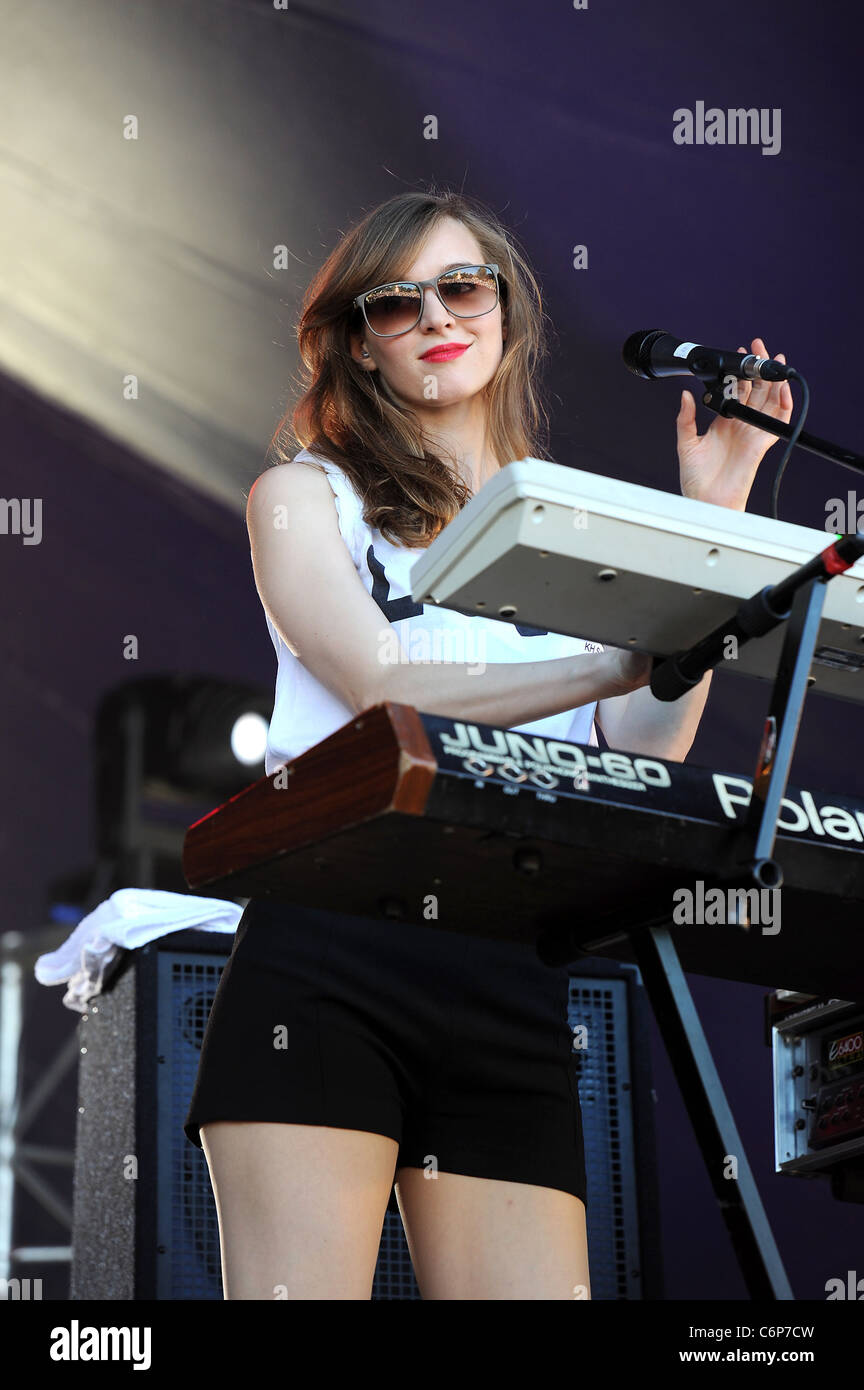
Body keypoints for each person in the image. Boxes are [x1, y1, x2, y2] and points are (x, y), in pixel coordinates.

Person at [183, 186, 793, 1300]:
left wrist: (719, 520)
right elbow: (381, 685)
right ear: (358, 347)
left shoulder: (574, 531)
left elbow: (640, 751)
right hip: (331, 944)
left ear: (507, 314)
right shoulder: (302, 496)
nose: (437, 317)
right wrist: (622, 654)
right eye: (395, 302)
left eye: (463, 287)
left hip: (510, 962)